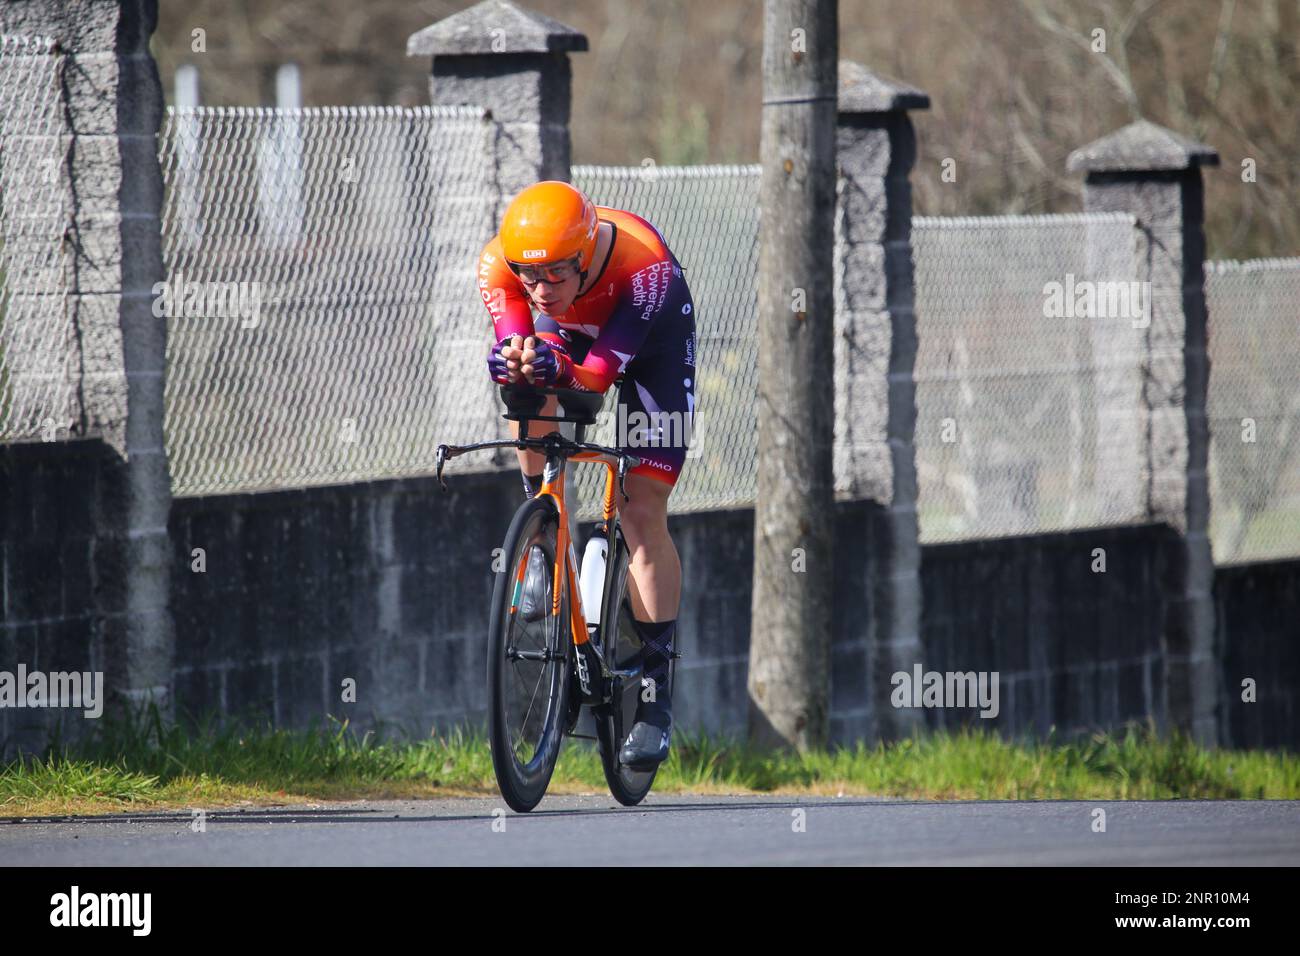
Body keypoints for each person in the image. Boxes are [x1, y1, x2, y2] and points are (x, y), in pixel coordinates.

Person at [478, 180, 696, 769]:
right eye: (529, 276)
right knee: (525, 381)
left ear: (586, 253)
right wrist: (513, 357)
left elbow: (595, 378)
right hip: (572, 337)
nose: (540, 289)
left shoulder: (641, 266)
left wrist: (562, 366)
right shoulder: (499, 266)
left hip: (649, 340)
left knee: (642, 509)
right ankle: (543, 538)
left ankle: (653, 697)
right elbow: (519, 342)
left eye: (555, 275)